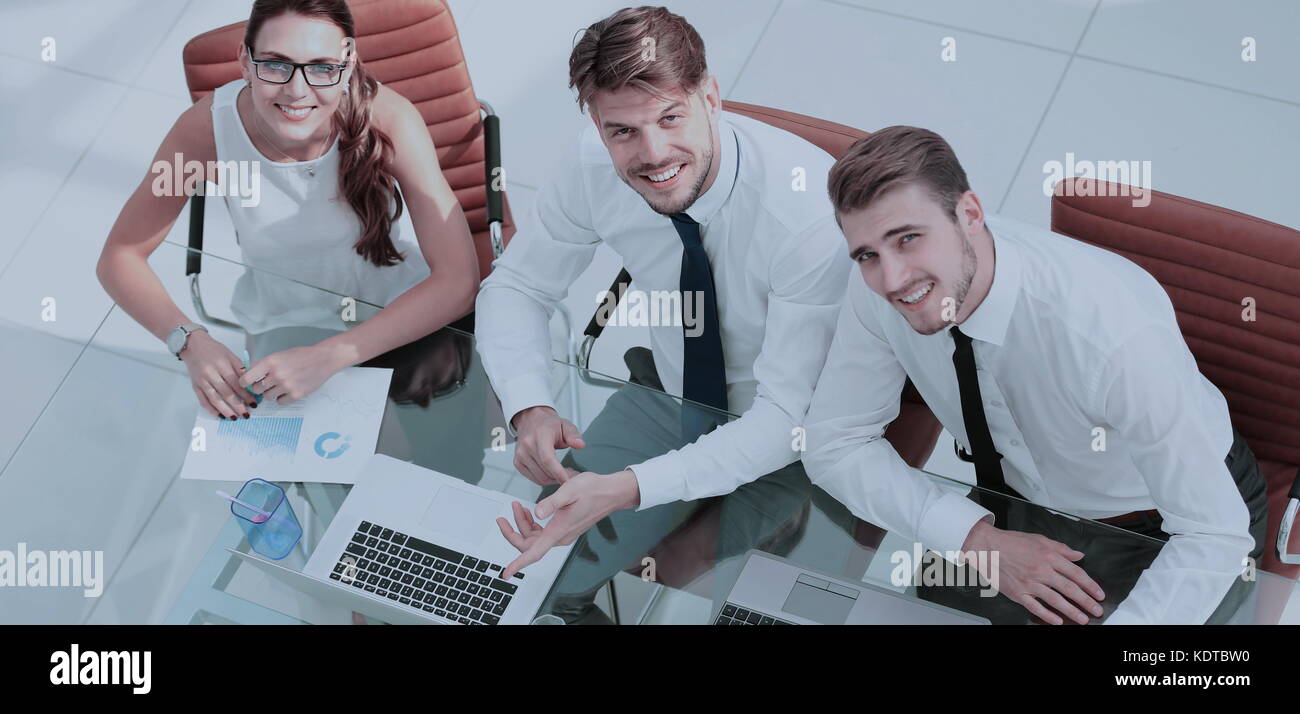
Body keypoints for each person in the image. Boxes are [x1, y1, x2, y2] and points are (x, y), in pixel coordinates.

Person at [803, 126, 1267, 624]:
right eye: (868, 254)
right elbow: (834, 444)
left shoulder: (1111, 336)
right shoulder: (877, 289)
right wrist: (976, 539)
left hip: (1164, 523)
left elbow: (1213, 533)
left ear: (970, 215)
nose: (892, 279)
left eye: (909, 239)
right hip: (1019, 500)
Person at [474, 7, 848, 617]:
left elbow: (783, 419)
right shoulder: (591, 168)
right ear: (597, 125)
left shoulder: (804, 216)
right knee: (534, 580)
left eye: (670, 118)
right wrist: (529, 405)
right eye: (622, 130)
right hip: (671, 393)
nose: (653, 154)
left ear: (711, 97)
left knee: (667, 595)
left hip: (797, 431)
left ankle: (771, 524)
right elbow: (516, 286)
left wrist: (627, 490)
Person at [96, 0, 478, 419]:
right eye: (276, 65)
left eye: (321, 67)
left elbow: (458, 281)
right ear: (245, 61)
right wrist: (190, 341)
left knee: (445, 461)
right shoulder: (204, 132)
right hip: (285, 322)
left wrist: (329, 357)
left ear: (348, 63)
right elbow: (120, 257)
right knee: (321, 478)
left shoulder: (388, 118)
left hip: (402, 313)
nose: (297, 91)